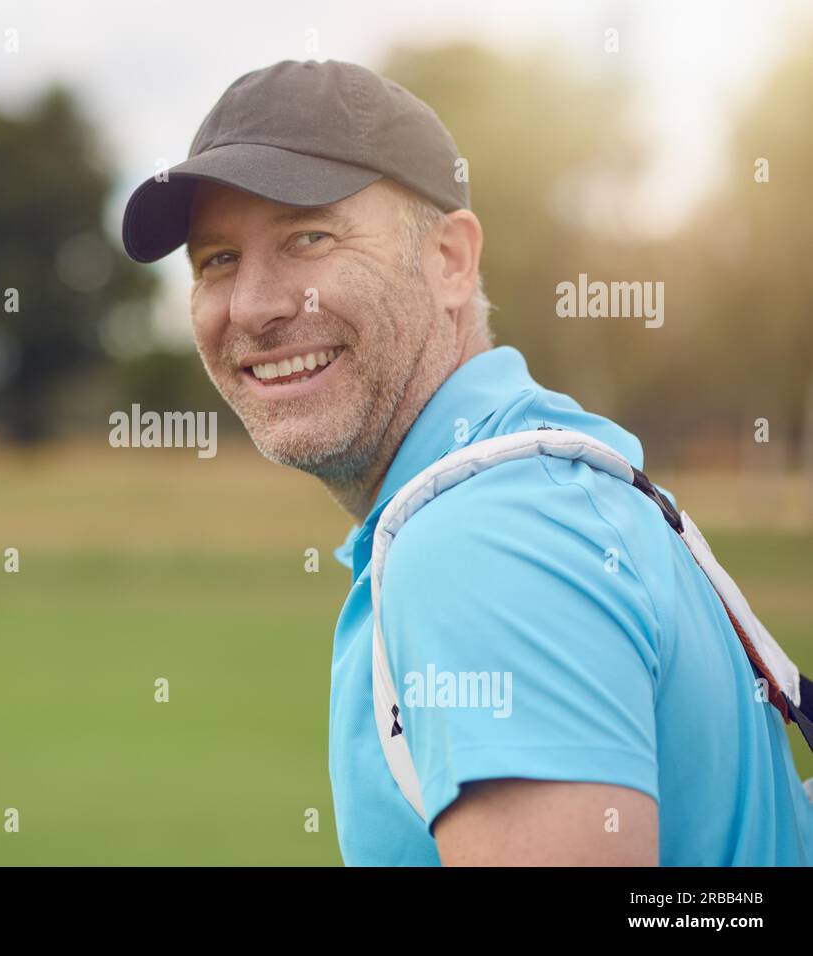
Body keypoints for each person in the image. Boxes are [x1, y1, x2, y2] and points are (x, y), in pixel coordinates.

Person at [120, 59, 813, 865]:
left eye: (309, 237)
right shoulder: (557, 479)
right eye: (217, 261)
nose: (256, 305)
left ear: (450, 259)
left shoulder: (481, 543)